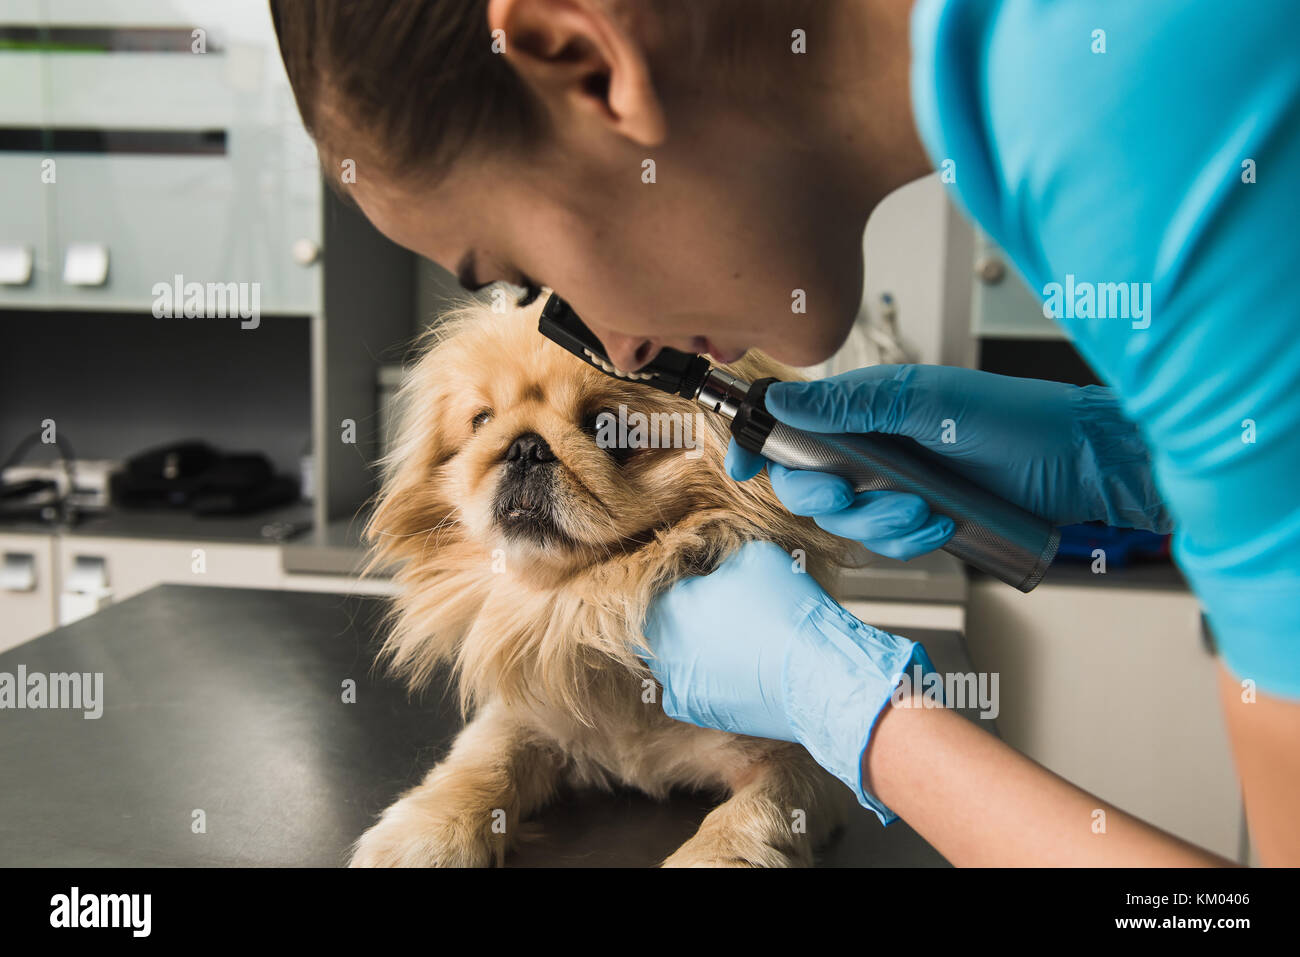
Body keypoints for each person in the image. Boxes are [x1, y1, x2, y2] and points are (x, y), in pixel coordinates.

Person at [269, 0, 1300, 864]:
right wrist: (1127, 460)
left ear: (584, 63)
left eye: (531, 279)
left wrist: (861, 720)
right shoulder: (1039, 75)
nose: (618, 355)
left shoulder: (1132, 108)